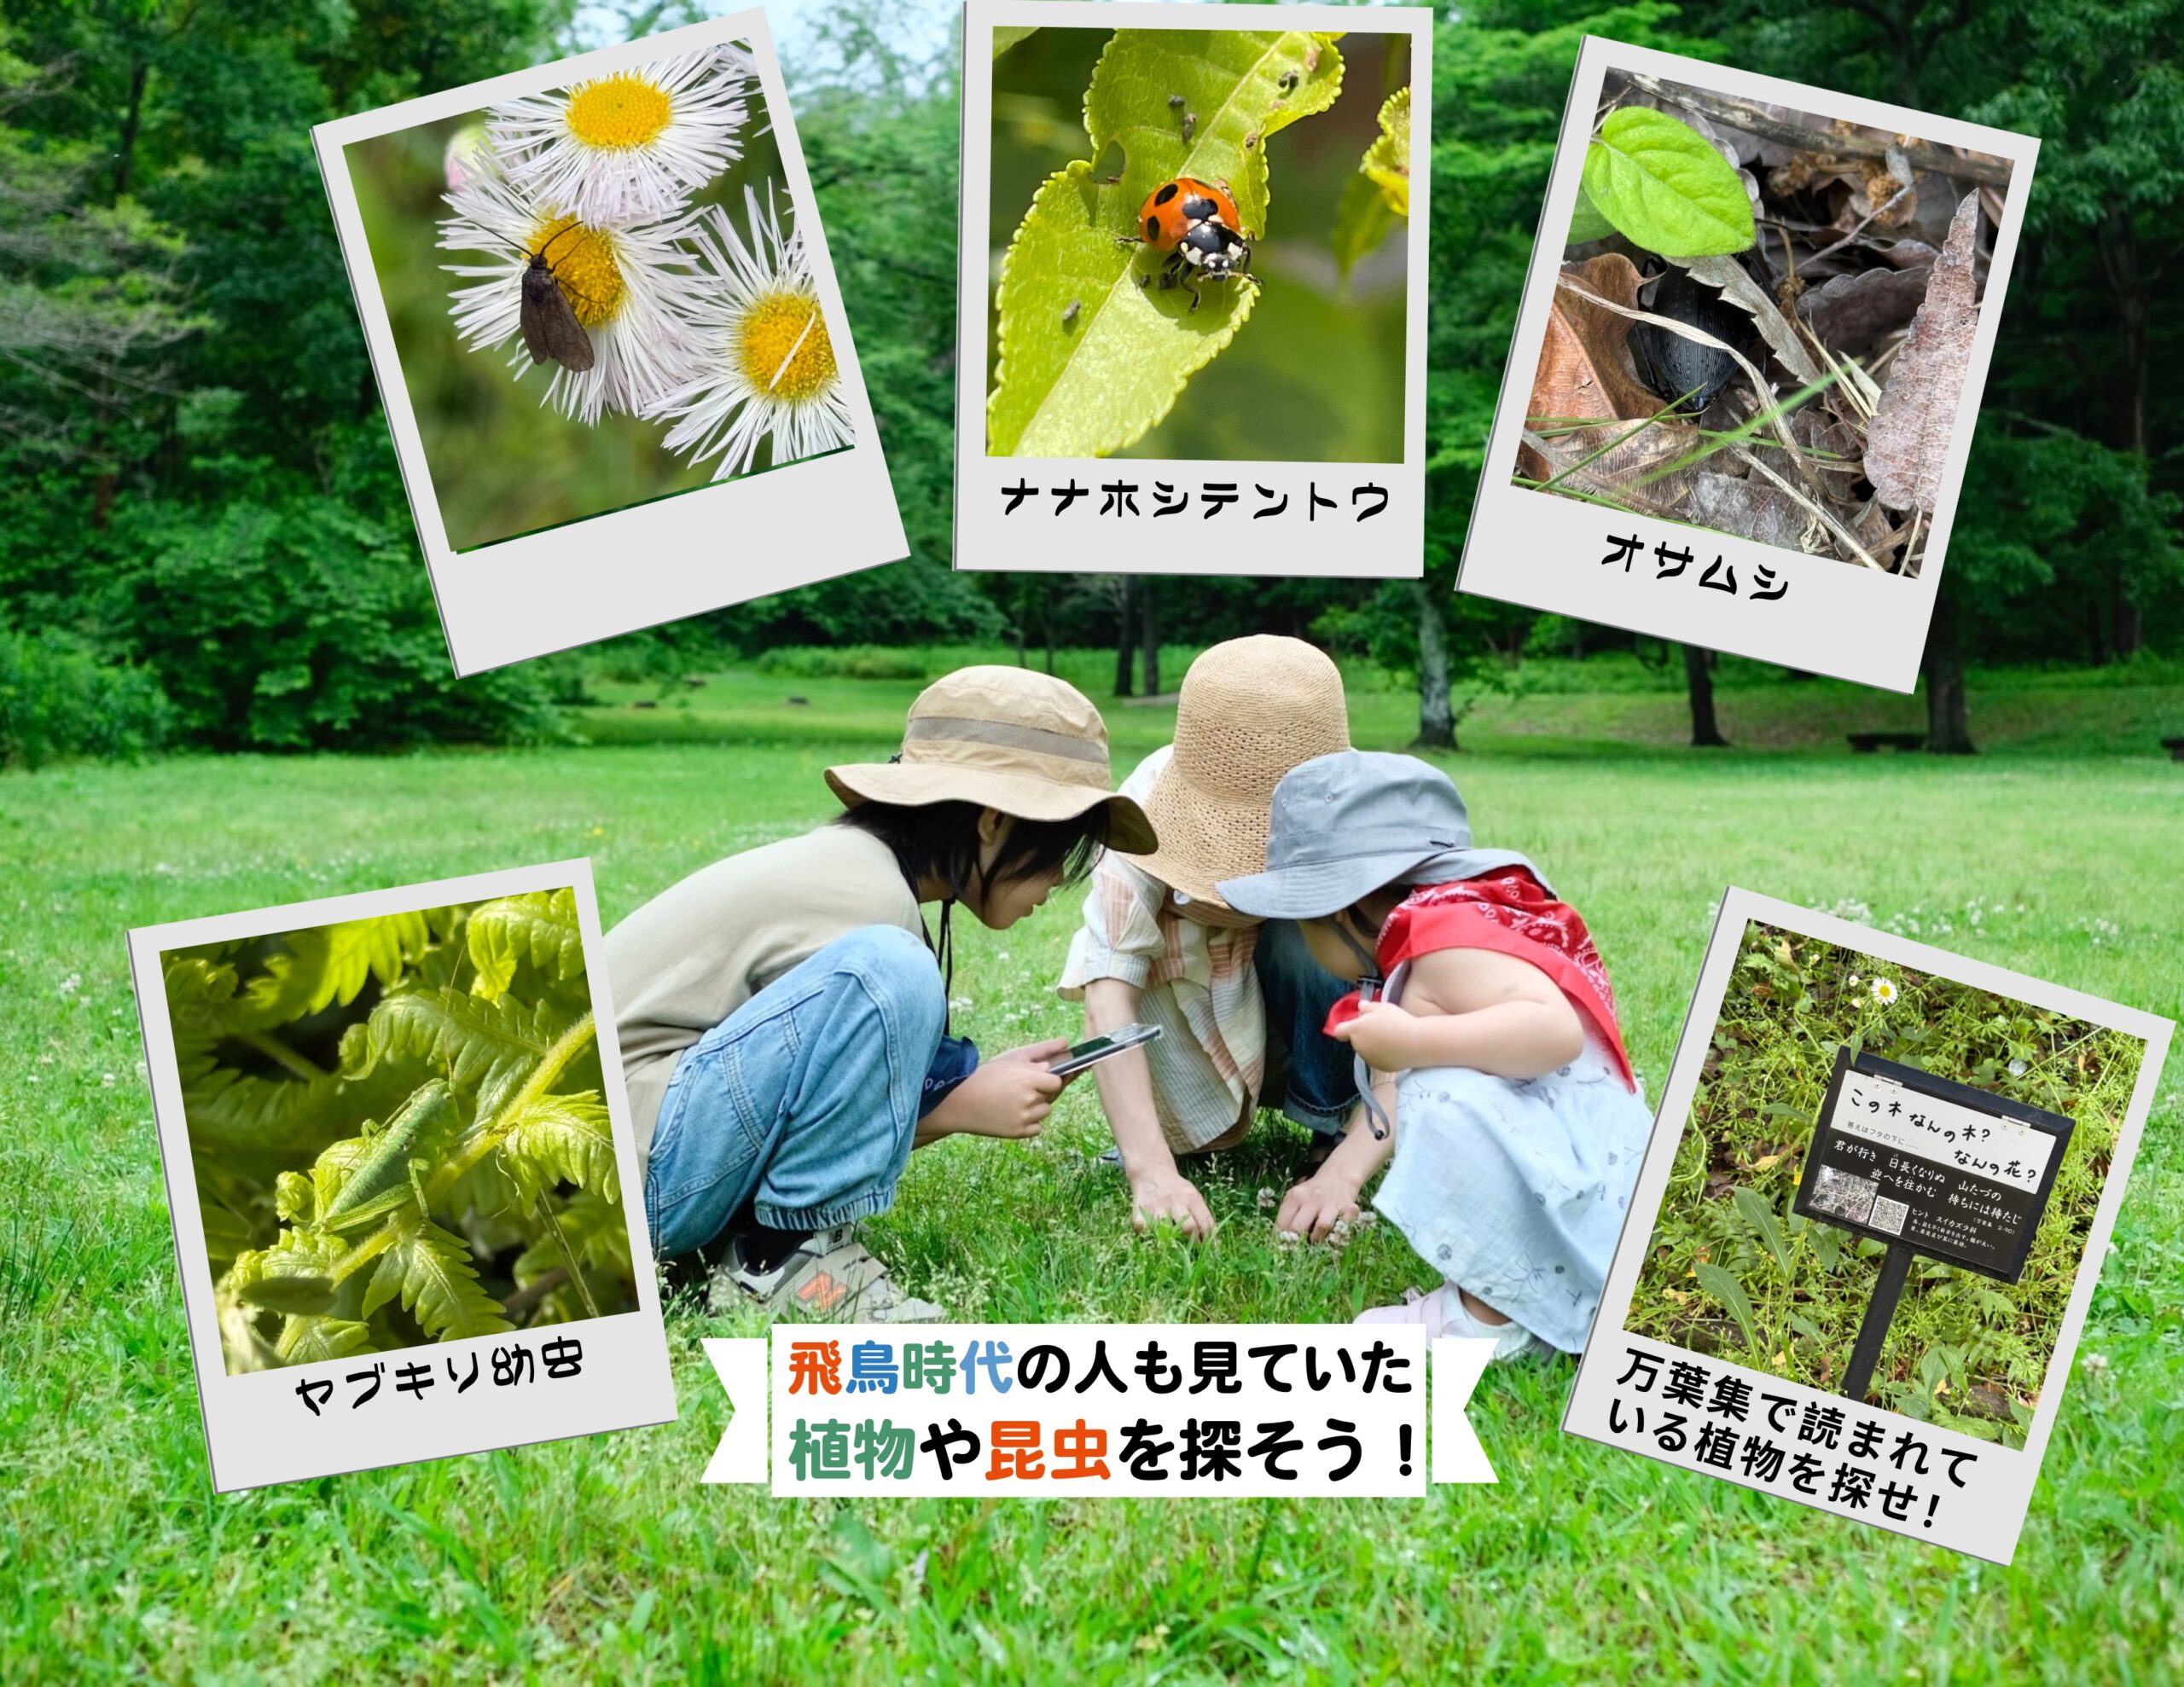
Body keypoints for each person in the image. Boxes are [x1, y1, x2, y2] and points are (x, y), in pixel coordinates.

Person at [607, 667, 1154, 1322]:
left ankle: (766, 1254)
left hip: (623, 1164)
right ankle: (780, 1262)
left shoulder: (856, 867)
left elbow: (810, 1112)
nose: (1055, 885)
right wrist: (956, 1106)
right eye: (1057, 852)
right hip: (619, 1188)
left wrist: (958, 1097)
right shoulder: (870, 906)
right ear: (992, 823)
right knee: (888, 968)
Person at [1217, 751, 1651, 1359]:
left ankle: (1490, 1320)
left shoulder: (1446, 947)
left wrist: (1414, 1043)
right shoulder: (1448, 933)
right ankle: (1533, 1302)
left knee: (1438, 1088)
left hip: (1590, 1189)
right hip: (1592, 1194)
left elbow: (1555, 1032)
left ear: (1338, 911)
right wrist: (1337, 1175)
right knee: (1435, 1078)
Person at [1058, 635, 1358, 1239]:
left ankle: (1331, 1128)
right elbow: (1107, 991)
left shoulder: (1368, 824)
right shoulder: (1144, 812)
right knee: (1132, 959)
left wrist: (1346, 1173)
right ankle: (1175, 1136)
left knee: (1325, 945)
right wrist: (1151, 1171)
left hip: (1304, 1027)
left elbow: (1410, 996)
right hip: (1199, 1012)